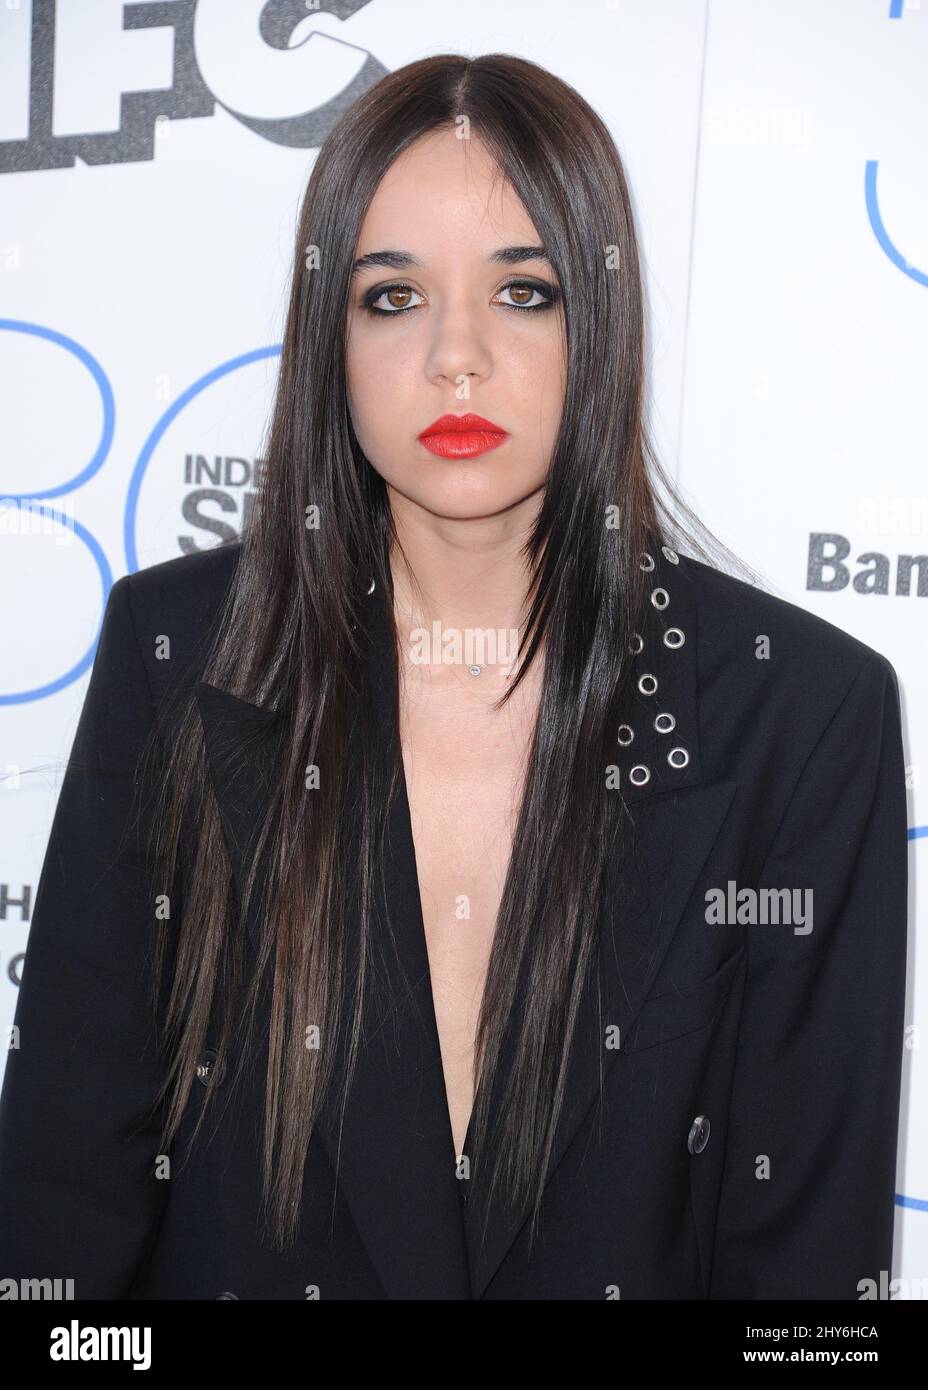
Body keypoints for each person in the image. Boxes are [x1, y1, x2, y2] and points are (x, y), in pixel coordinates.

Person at [0, 53, 908, 1301]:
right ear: (331, 334)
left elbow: (805, 1277)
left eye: (523, 292)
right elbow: (66, 1219)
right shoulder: (181, 658)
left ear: (601, 317)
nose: (457, 358)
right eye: (392, 298)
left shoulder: (803, 717)